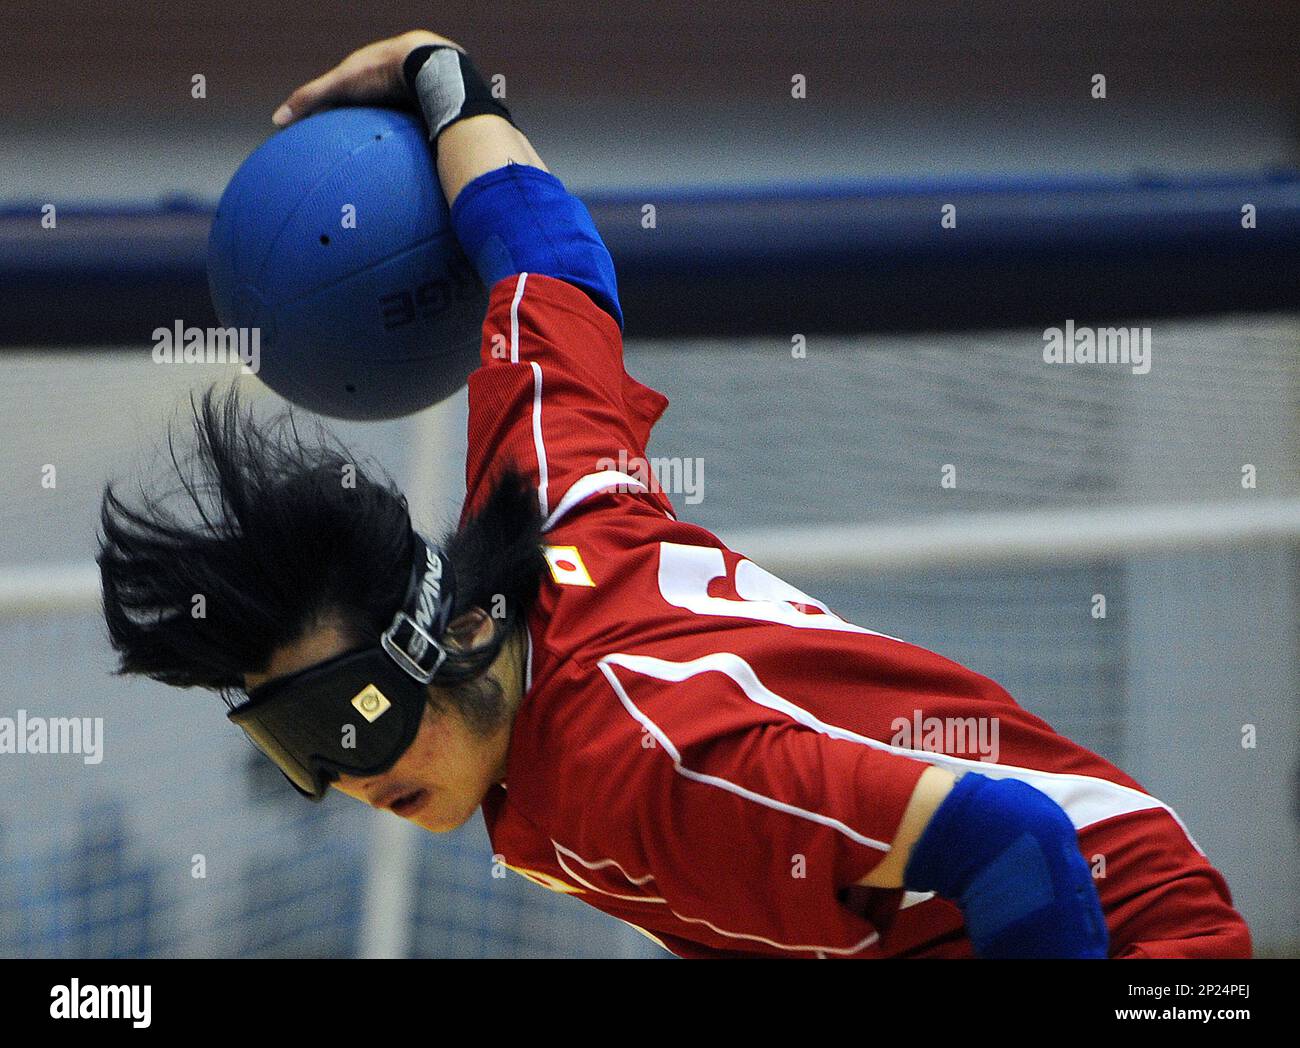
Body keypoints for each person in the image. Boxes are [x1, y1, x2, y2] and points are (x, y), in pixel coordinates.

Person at [98, 29, 1251, 959]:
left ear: (449, 628)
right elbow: (547, 260)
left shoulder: (640, 758)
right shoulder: (549, 502)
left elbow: (1012, 846)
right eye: (299, 751)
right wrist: (437, 76)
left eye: (342, 720)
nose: (346, 776)